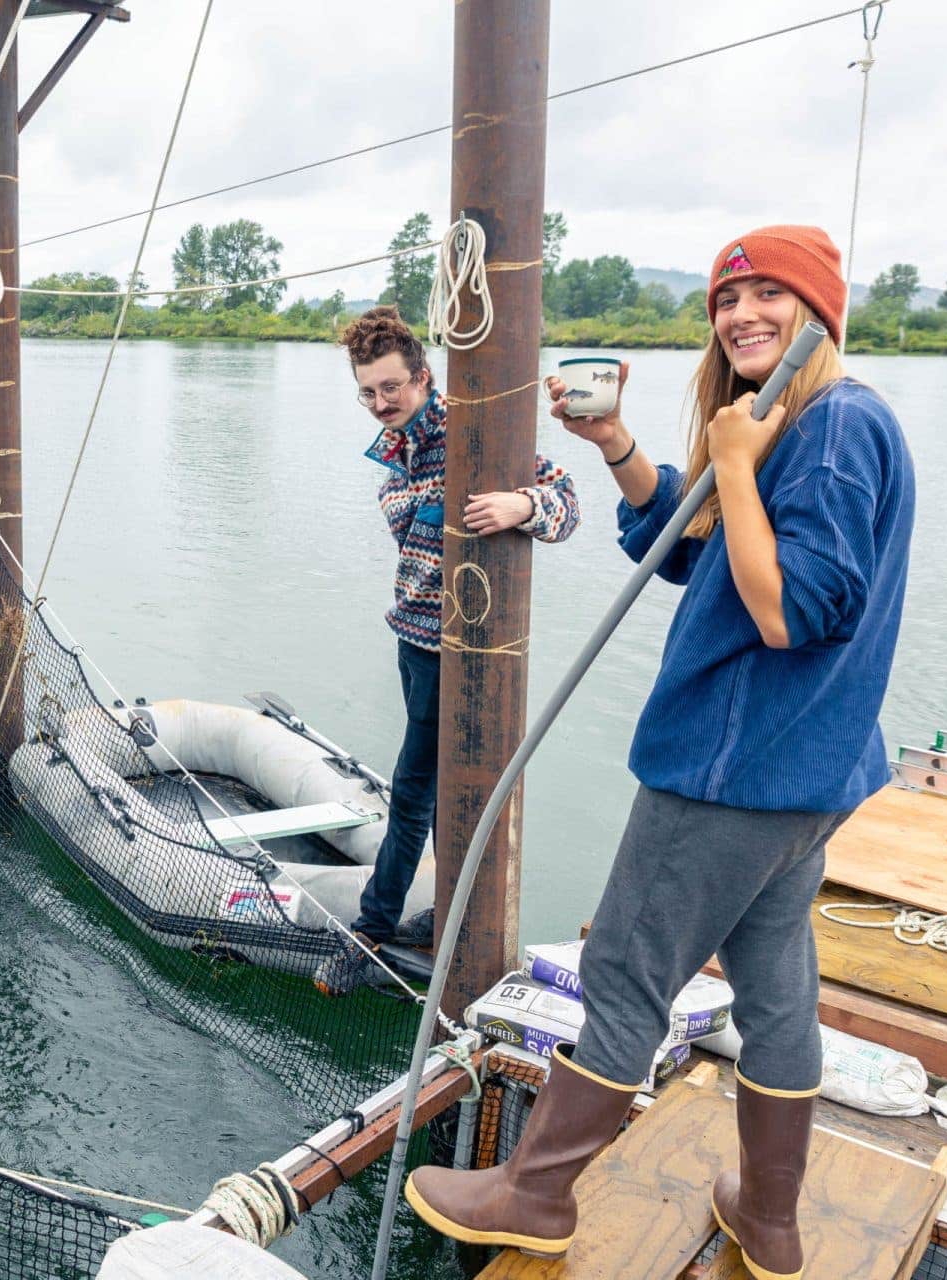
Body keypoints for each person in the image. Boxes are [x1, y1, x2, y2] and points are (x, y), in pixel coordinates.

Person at [403, 226, 915, 1280]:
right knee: (776, 987)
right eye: (728, 299)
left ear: (822, 311)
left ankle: (536, 1193)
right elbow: (700, 545)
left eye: (769, 294)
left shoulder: (832, 428)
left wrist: (735, 460)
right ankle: (768, 1220)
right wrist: (618, 445)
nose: (742, 315)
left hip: (732, 768)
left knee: (627, 971)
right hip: (801, 776)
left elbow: (790, 611)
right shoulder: (799, 422)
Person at [313, 306, 580, 998]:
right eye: (368, 393)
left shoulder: (474, 433)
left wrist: (524, 507)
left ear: (423, 377)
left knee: (420, 791)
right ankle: (434, 912)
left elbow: (566, 499)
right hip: (415, 640)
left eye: (391, 387)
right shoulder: (395, 447)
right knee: (429, 787)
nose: (381, 403)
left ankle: (377, 928)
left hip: (468, 651)